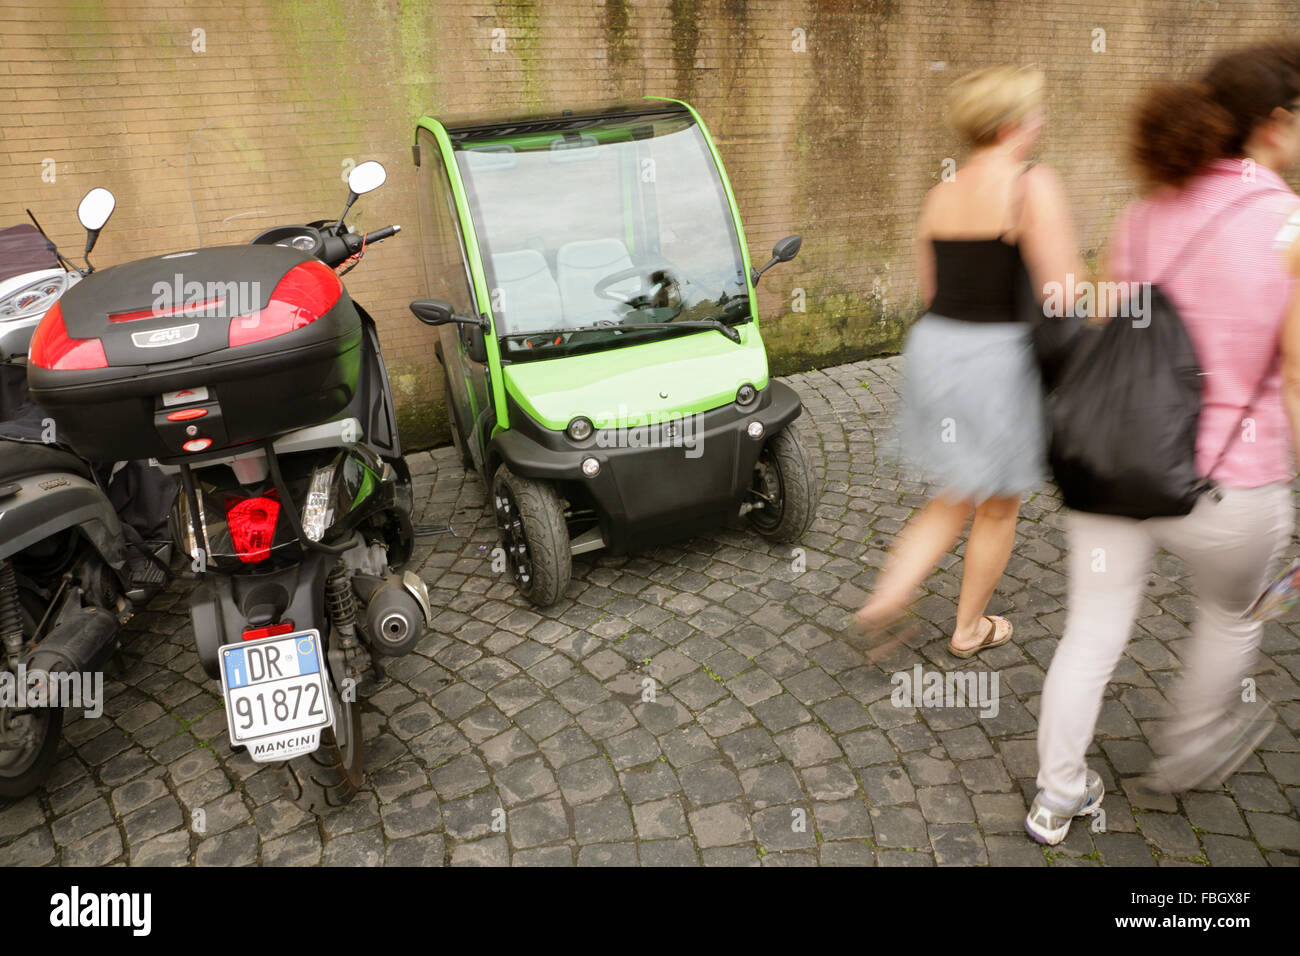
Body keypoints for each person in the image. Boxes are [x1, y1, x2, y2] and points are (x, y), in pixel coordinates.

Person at [1028, 43, 1300, 846]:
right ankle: (1184, 754)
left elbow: (1104, 326)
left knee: (1092, 628)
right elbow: (1294, 377)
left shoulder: (1146, 209)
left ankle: (1055, 795)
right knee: (1236, 611)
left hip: (1116, 468)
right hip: (1229, 486)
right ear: (1275, 123)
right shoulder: (1290, 223)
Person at [854, 66, 1081, 658]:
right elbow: (1063, 291)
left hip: (937, 349)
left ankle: (887, 595)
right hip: (996, 357)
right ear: (1012, 126)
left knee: (957, 490)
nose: (1041, 123)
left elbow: (931, 293)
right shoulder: (1032, 184)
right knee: (999, 502)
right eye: (1034, 113)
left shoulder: (941, 194)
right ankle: (969, 627)